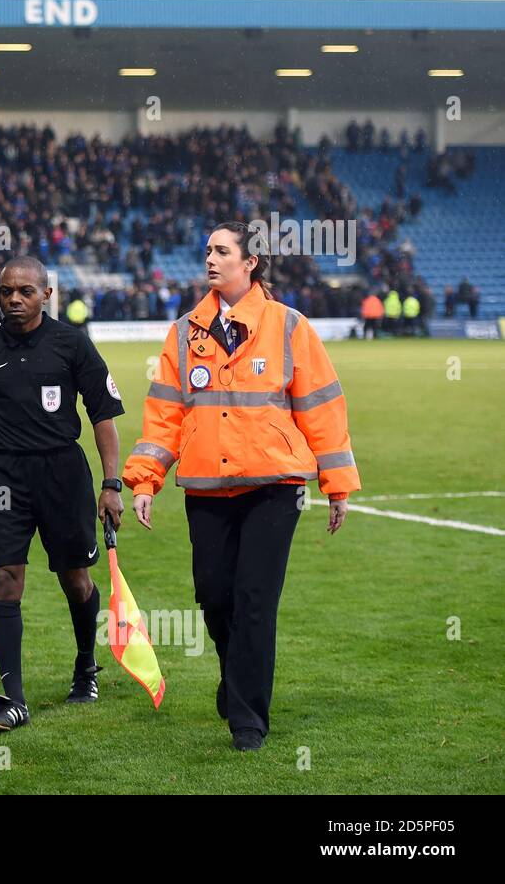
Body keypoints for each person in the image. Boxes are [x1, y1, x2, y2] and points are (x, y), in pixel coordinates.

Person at [123, 221, 360, 752]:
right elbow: (164, 412)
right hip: (206, 487)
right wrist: (145, 478)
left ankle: (248, 717)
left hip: (275, 486)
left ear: (250, 262)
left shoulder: (289, 326)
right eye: (207, 249)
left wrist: (336, 482)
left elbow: (321, 407)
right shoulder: (185, 332)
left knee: (255, 599)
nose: (210, 258)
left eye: (222, 250)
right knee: (214, 596)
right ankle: (236, 679)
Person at [0, 258, 125, 732]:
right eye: (6, 291)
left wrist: (111, 483)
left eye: (25, 292)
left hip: (63, 473)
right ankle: (12, 696)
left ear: (47, 295)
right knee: (5, 578)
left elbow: (103, 415)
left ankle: (85, 665)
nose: (14, 300)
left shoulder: (72, 344)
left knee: (75, 579)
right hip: (4, 479)